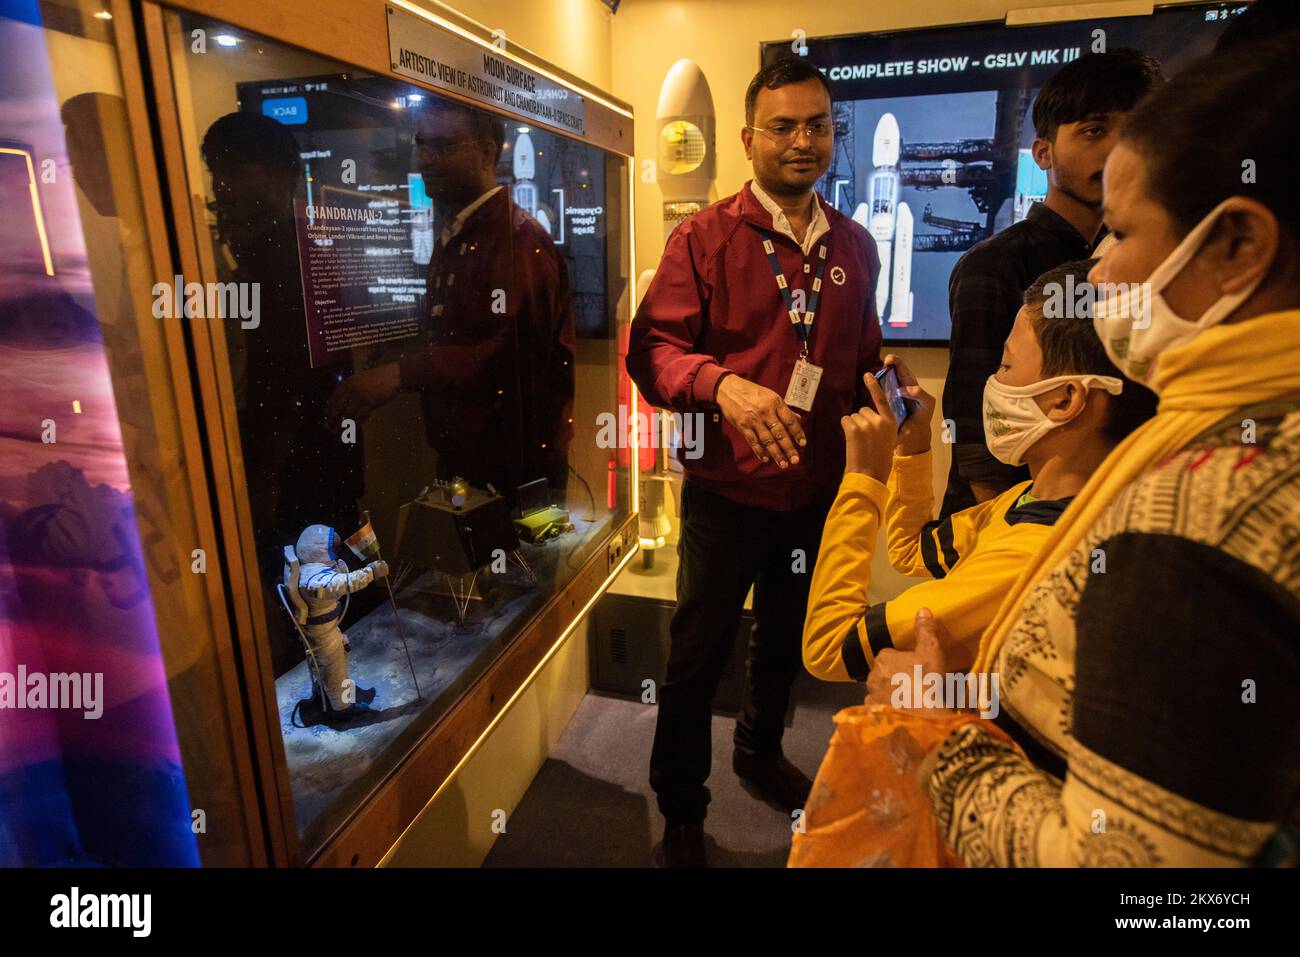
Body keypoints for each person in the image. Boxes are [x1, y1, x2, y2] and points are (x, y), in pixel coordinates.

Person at [906, 38, 1300, 866]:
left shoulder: (1197, 514)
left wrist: (938, 731)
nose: (1100, 270)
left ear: (1238, 244)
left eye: (1121, 233)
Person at [625, 56, 883, 867]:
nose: (803, 140)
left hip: (814, 490)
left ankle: (760, 752)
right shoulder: (702, 237)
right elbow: (651, 354)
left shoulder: (856, 243)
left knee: (784, 641)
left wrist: (889, 387)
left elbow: (858, 355)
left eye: (818, 124)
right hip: (725, 492)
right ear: (749, 138)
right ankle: (682, 805)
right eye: (784, 125)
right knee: (697, 653)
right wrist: (723, 385)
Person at [803, 260, 1156, 689]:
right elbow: (913, 550)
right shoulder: (1031, 496)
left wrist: (863, 480)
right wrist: (912, 449)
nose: (993, 381)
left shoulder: (1034, 551)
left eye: (1005, 366)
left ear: (1065, 399)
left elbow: (828, 647)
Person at [940, 50, 1163, 518]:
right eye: (1094, 131)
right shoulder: (995, 264)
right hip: (1008, 528)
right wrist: (1011, 538)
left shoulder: (1143, 259)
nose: (1118, 150)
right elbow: (976, 437)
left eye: (1137, 128)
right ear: (1043, 152)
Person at [330, 98, 575, 509]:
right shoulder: (460, 232)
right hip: (468, 458)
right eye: (423, 144)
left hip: (514, 467)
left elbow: (510, 359)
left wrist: (402, 372)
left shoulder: (517, 241)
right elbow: (461, 335)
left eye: (444, 146)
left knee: (514, 572)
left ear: (487, 151)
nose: (427, 159)